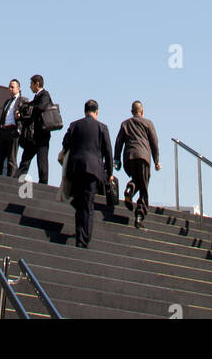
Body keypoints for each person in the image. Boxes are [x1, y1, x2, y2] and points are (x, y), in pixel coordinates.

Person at [60, 100, 113, 248]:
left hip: (76, 168)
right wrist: (109, 173)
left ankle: (80, 237)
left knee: (80, 203)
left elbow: (65, 143)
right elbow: (108, 152)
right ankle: (84, 239)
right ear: (96, 112)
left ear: (85, 111)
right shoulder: (102, 127)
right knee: (88, 205)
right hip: (93, 170)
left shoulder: (74, 125)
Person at [114, 101, 161, 229]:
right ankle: (140, 215)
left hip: (129, 158)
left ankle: (130, 189)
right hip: (143, 157)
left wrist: (116, 160)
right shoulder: (148, 123)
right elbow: (154, 142)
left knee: (138, 180)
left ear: (132, 112)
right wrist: (156, 161)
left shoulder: (125, 124)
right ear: (142, 111)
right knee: (144, 186)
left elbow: (118, 142)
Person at [15, 74, 55, 185]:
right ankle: (17, 179)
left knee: (42, 161)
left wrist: (29, 108)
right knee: (26, 159)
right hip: (34, 135)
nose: (30, 87)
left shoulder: (45, 95)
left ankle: (43, 184)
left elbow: (41, 107)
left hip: (42, 135)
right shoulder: (37, 97)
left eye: (31, 84)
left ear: (37, 84)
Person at [0, 78, 26, 176]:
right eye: (9, 87)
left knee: (11, 159)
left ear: (18, 88)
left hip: (13, 131)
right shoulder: (7, 101)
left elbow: (26, 115)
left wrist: (19, 129)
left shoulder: (23, 100)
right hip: (3, 130)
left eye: (12, 87)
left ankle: (10, 181)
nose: (10, 89)